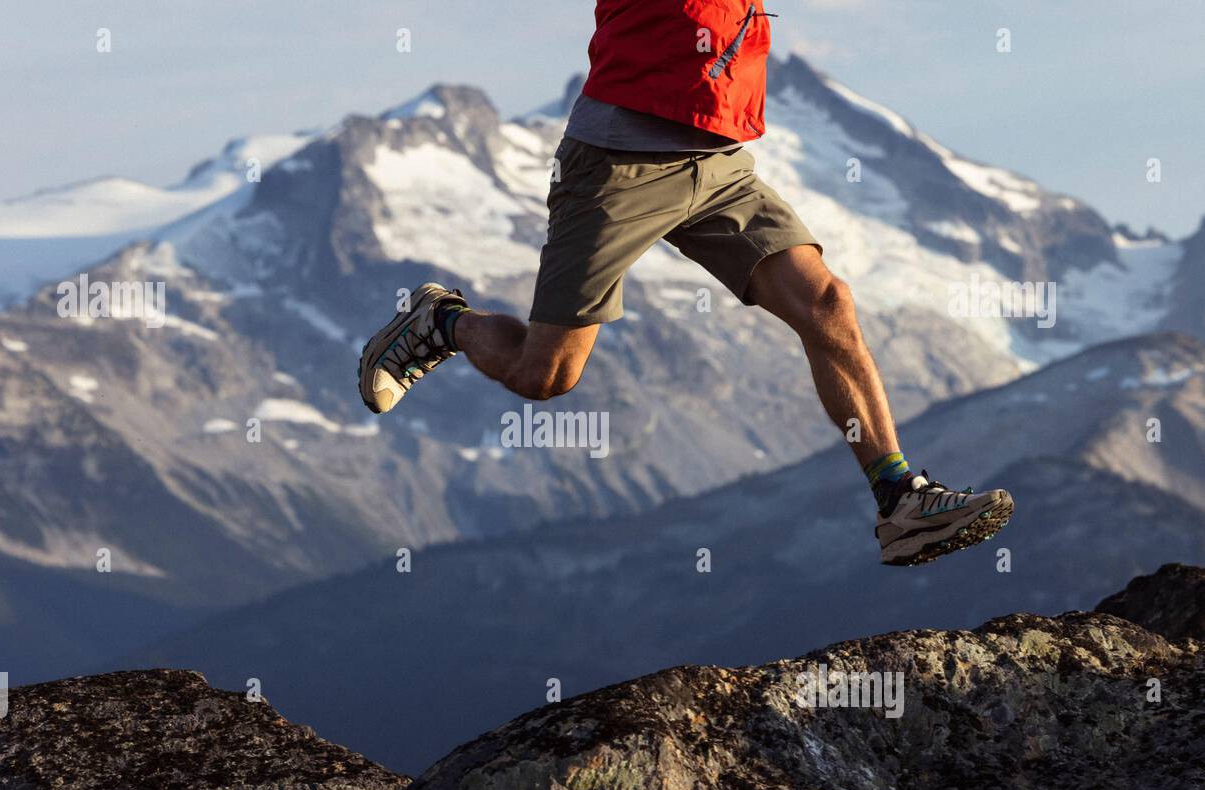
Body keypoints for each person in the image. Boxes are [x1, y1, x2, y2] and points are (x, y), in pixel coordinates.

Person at [359, 0, 1013, 566]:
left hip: (716, 156)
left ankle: (900, 504)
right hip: (618, 162)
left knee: (828, 304)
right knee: (546, 375)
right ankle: (441, 322)